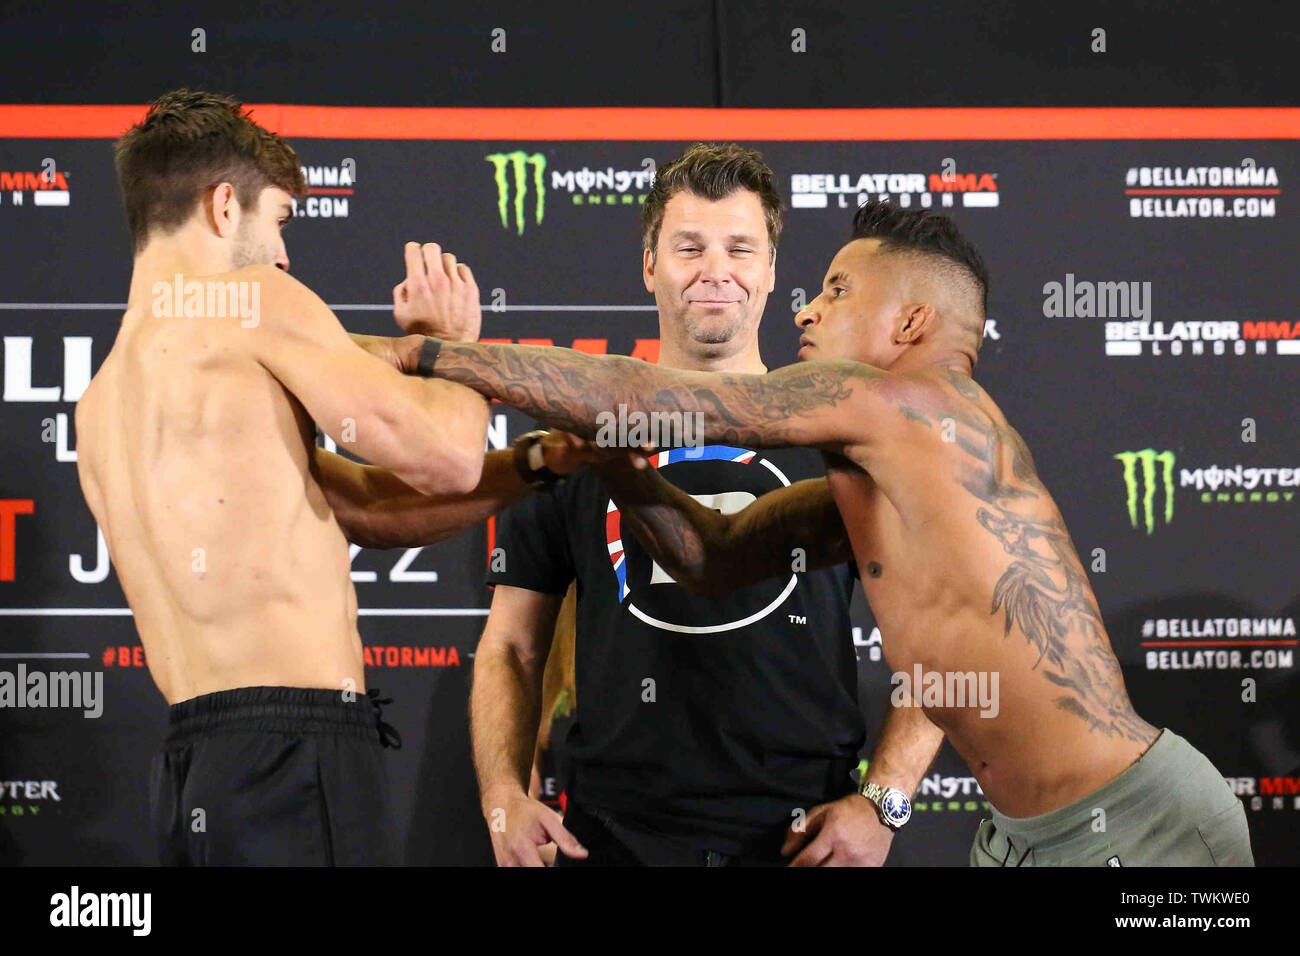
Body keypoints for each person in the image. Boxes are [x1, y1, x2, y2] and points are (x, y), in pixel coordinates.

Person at [400, 198, 1254, 867]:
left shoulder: (912, 402)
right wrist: (620, 469)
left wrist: (433, 356)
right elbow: (713, 558)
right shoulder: (880, 467)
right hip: (1026, 831)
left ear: (910, 325)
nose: (809, 308)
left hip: (1135, 827)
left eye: (840, 290)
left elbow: (663, 399)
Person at [76, 88, 587, 865]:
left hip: (195, 771)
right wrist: (448, 349)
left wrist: (536, 464)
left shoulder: (103, 401)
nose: (284, 255)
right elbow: (444, 457)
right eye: (278, 220)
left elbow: (370, 510)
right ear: (223, 207)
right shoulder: (249, 301)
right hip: (293, 753)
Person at [464, 145, 944, 868]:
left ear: (773, 272)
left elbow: (938, 639)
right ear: (650, 265)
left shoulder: (848, 441)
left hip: (803, 837)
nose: (714, 271)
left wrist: (886, 801)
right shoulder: (578, 441)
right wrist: (504, 793)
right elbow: (510, 646)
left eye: (739, 249)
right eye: (688, 247)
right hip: (610, 837)